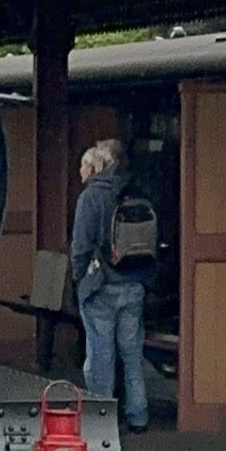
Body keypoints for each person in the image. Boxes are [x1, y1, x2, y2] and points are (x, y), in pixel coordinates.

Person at [70, 138, 150, 432]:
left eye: (83, 166)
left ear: (96, 166)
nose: (80, 172)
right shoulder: (135, 191)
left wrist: (79, 279)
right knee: (131, 354)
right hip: (135, 284)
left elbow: (81, 246)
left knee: (100, 355)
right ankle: (138, 416)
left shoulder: (91, 198)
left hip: (101, 285)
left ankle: (101, 420)